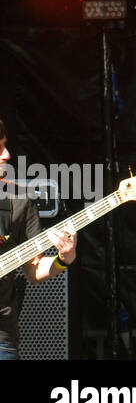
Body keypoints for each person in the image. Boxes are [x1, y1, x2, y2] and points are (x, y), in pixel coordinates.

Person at [0, 120, 77, 361]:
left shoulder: (19, 199)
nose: (7, 154)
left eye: (5, 145)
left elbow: (33, 270)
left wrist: (64, 258)